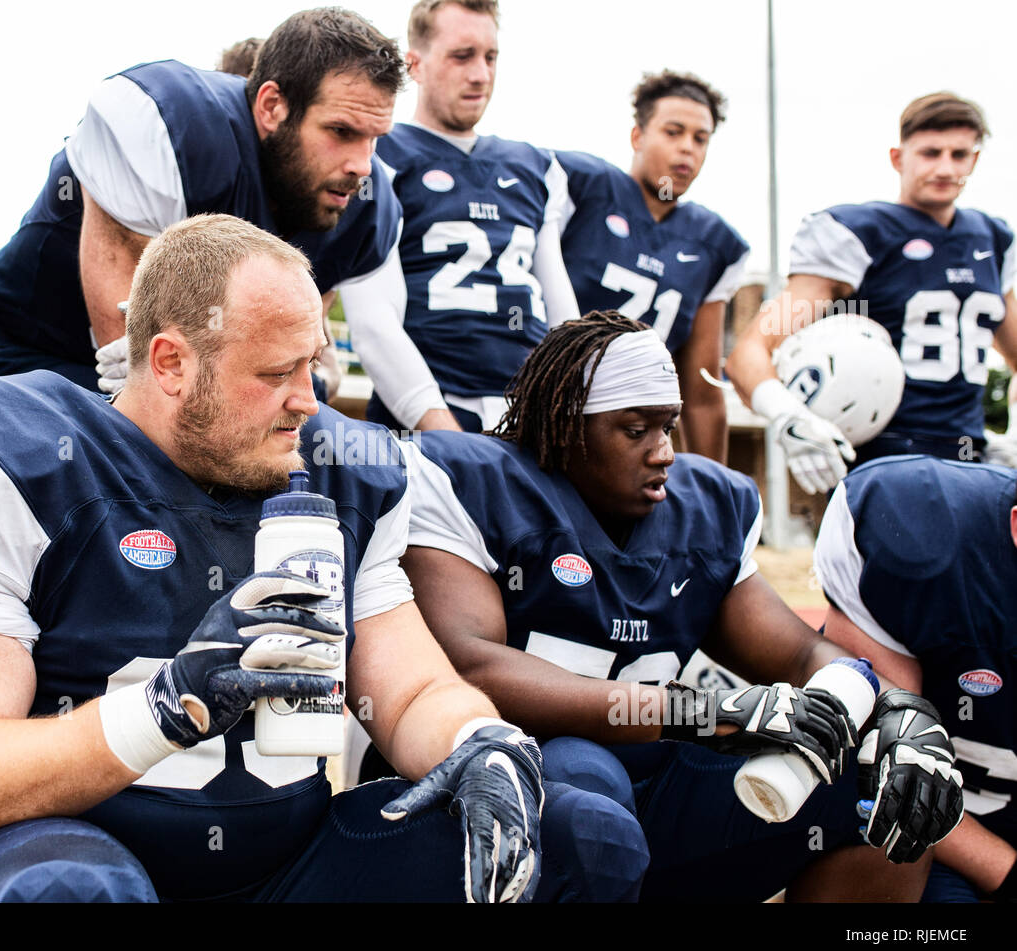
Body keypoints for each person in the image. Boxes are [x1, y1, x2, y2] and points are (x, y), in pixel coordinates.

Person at [0, 215, 648, 903]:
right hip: (81, 852)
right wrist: (164, 706)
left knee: (580, 836)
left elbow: (410, 696)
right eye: (275, 373)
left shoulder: (343, 475)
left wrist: (477, 739)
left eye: (312, 363)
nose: (309, 398)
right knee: (67, 893)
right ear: (169, 362)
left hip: (288, 869)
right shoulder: (12, 457)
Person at [396, 311, 958, 900]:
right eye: (636, 429)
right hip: (509, 788)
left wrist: (889, 704)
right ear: (564, 425)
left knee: (885, 788)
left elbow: (797, 653)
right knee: (588, 784)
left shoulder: (708, 507)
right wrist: (707, 710)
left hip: (652, 784)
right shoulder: (473, 480)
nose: (663, 451)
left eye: (668, 426)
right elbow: (469, 664)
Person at [0, 7, 405, 403]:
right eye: (341, 132)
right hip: (18, 357)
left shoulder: (364, 206)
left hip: (172, 383)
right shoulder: (172, 134)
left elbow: (294, 351)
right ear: (271, 106)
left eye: (373, 139)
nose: (362, 164)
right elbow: (134, 376)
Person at [726, 92, 1017, 495]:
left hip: (970, 459)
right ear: (898, 158)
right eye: (931, 153)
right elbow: (749, 351)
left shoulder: (993, 238)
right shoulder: (859, 233)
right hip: (882, 464)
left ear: (975, 160)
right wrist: (789, 416)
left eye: (960, 154)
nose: (946, 167)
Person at [338, 0, 579, 434]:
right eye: (461, 56)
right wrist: (443, 431)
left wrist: (564, 413)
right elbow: (373, 322)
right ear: (415, 64)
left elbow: (564, 318)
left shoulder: (538, 167)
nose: (481, 74)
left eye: (490, 57)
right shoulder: (378, 155)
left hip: (529, 417)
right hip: (427, 413)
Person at [814, 455, 1014, 901]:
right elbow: (884, 760)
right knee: (881, 825)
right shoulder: (921, 535)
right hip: (941, 827)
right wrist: (1008, 871)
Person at [555, 72, 748, 463]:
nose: (687, 150)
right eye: (673, 132)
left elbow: (702, 394)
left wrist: (714, 498)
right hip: (558, 412)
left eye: (700, 138)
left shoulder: (714, 243)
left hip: (634, 435)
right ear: (637, 137)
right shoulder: (582, 189)